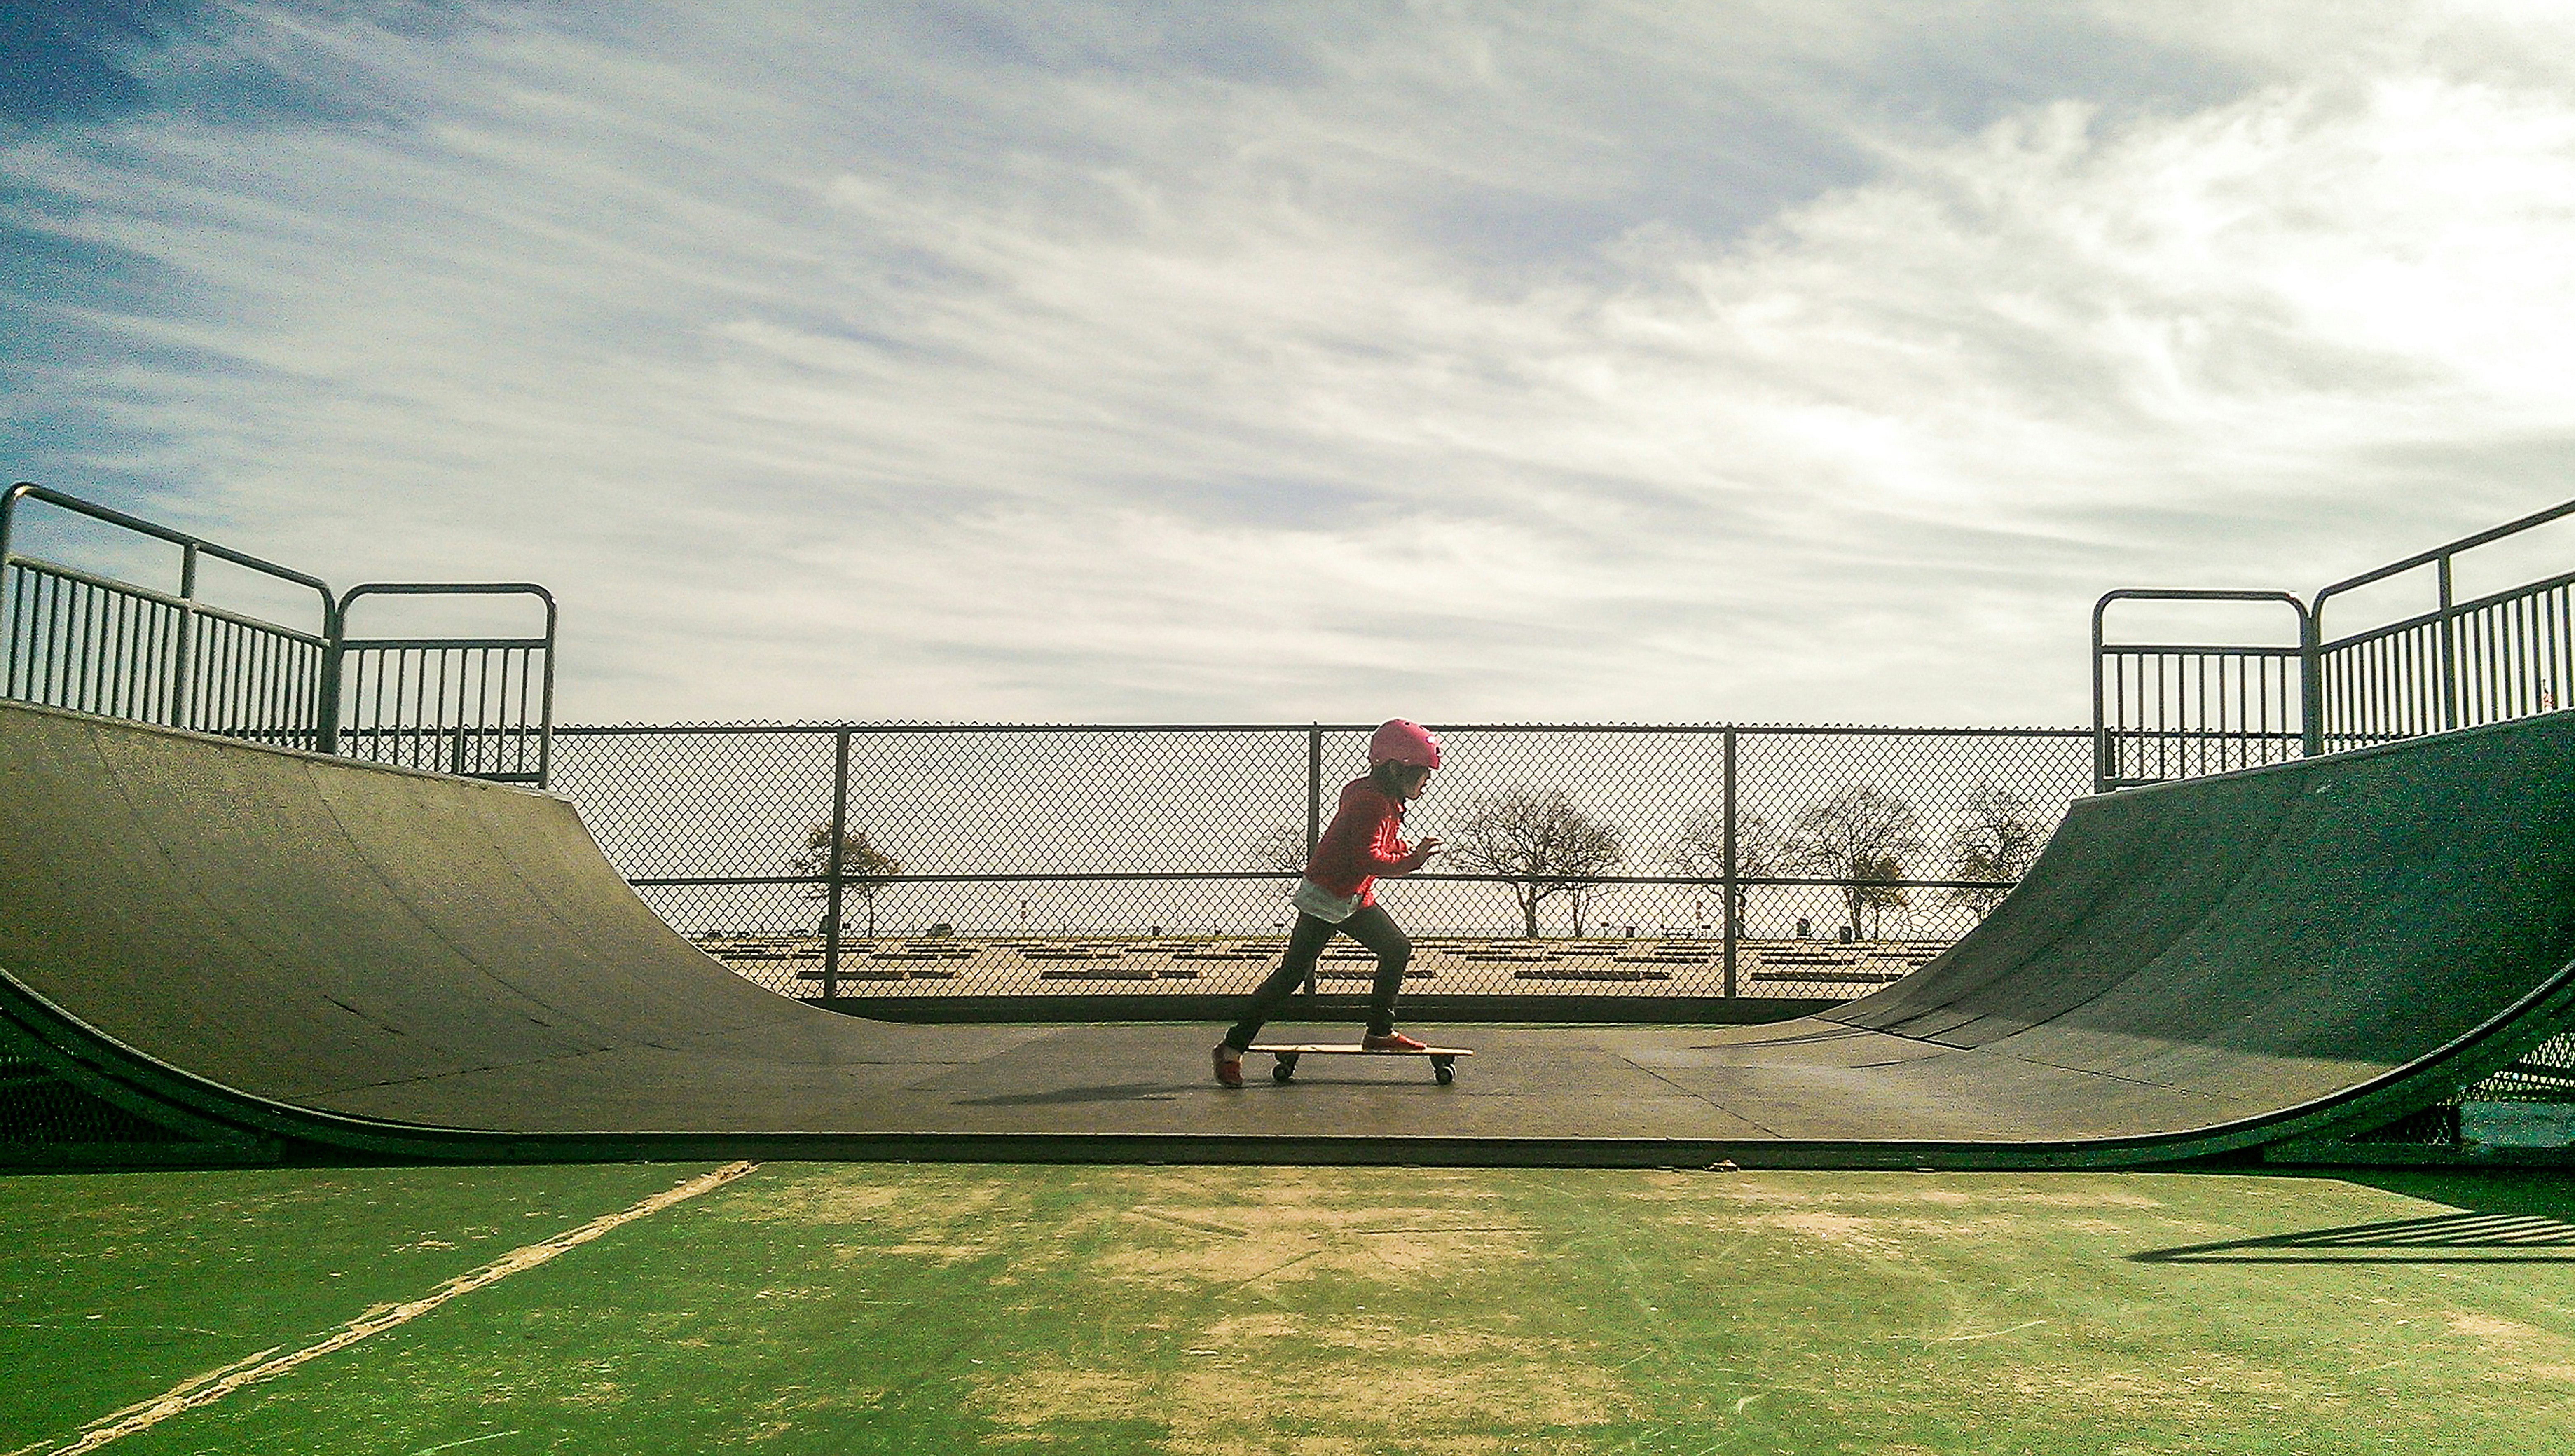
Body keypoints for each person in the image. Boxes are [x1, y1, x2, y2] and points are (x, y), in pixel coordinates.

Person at [1213, 719, 1444, 1088]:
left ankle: (1379, 1033)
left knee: (1396, 948)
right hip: (1326, 896)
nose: (1426, 782)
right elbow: (1370, 858)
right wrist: (1412, 860)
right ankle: (1231, 1048)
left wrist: (1407, 850)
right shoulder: (1371, 802)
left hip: (1353, 898)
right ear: (1395, 768)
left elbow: (1379, 846)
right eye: (1422, 773)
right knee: (1291, 975)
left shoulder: (1382, 799)